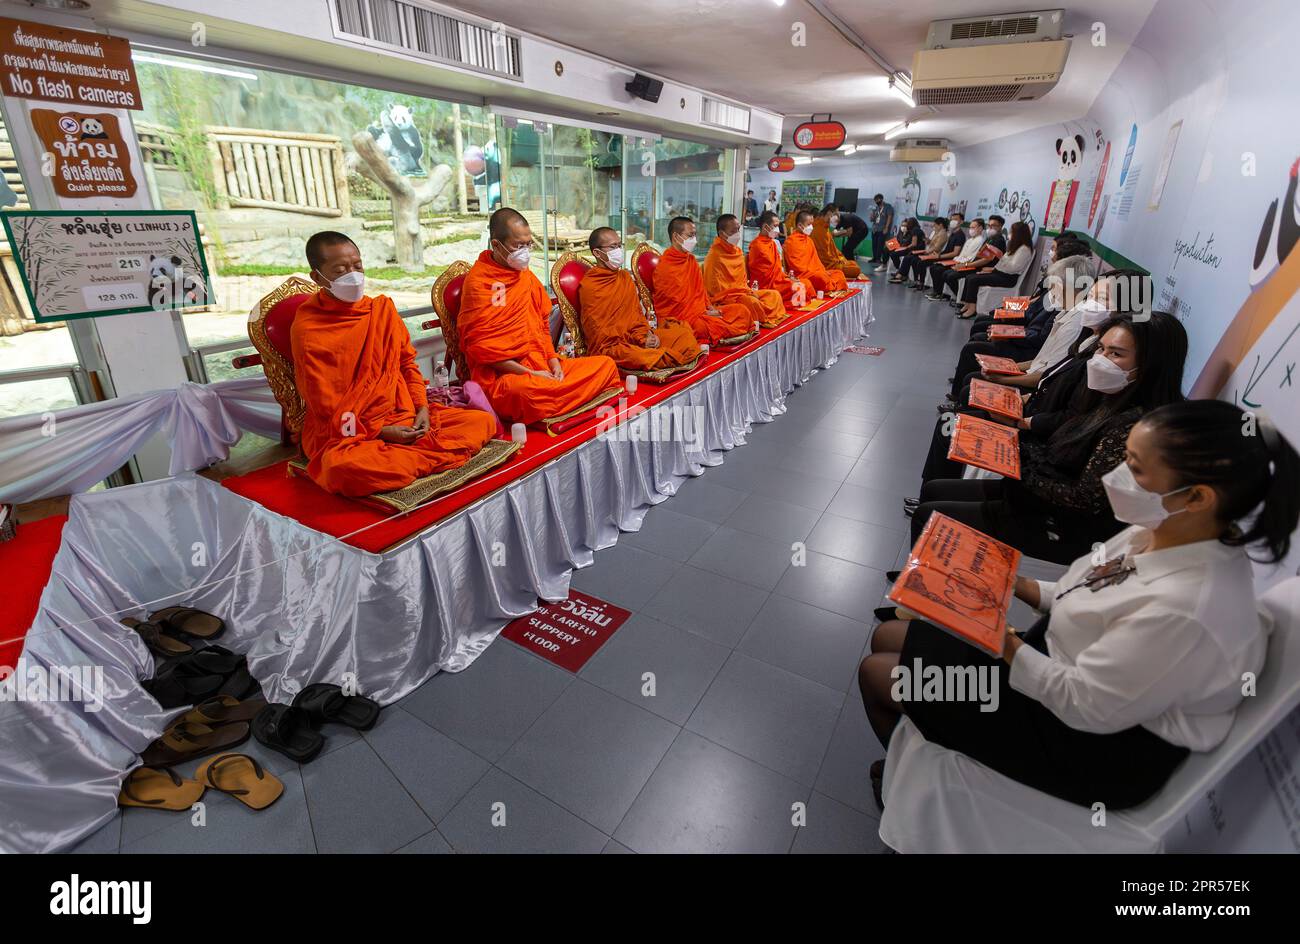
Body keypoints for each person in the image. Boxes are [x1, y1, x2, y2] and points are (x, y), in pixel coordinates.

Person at [862, 399, 1299, 811]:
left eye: (1136, 468)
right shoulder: (1162, 529)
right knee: (890, 636)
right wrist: (1018, 587)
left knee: (878, 673)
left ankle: (912, 788)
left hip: (1082, 742)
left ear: (1197, 497)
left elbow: (1081, 702)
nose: (1117, 476)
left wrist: (998, 636)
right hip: (1058, 665)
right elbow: (1092, 590)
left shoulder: (1188, 609)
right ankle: (916, 757)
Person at [912, 312, 1188, 565]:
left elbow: (1083, 498)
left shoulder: (1136, 425)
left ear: (1151, 364)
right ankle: (919, 582)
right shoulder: (1107, 394)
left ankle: (919, 602)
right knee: (935, 489)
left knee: (930, 512)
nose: (1101, 359)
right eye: (1101, 349)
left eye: (1115, 354)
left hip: (1063, 523)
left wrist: (1017, 457)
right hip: (1038, 490)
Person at [289, 231, 497, 497]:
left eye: (357, 266)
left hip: (403, 414)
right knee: (341, 469)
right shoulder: (309, 330)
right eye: (340, 270)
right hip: (349, 431)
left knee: (481, 422)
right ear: (318, 277)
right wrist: (382, 432)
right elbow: (326, 408)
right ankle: (423, 458)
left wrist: (421, 409)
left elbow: (407, 364)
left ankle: (408, 461)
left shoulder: (380, 311)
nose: (353, 274)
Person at [458, 208, 622, 425]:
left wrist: (553, 364)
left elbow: (541, 328)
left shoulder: (525, 277)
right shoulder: (481, 283)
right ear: (496, 245)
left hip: (541, 365)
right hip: (505, 377)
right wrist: (531, 375)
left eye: (528, 244)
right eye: (518, 245)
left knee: (607, 365)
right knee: (526, 394)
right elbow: (482, 350)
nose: (525, 251)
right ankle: (559, 396)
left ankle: (557, 396)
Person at [578, 227, 701, 371]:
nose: (618, 250)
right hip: (613, 348)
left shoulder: (624, 277)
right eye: (613, 246)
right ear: (597, 253)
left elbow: (637, 316)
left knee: (684, 337)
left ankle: (664, 355)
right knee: (646, 357)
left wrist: (646, 336)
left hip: (637, 338)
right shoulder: (590, 286)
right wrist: (638, 341)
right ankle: (666, 357)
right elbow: (600, 336)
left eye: (619, 245)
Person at [653, 216, 755, 344]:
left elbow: (701, 291)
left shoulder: (691, 261)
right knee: (699, 327)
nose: (694, 240)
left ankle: (726, 331)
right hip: (684, 319)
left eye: (695, 235)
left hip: (702, 312)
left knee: (742, 311)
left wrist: (710, 308)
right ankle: (727, 332)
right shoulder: (665, 266)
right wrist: (701, 313)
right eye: (690, 235)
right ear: (675, 237)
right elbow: (673, 305)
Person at [704, 214, 787, 328]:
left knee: (774, 295)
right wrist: (744, 293)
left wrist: (749, 291)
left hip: (744, 292)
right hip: (727, 298)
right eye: (734, 230)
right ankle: (759, 319)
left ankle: (760, 316)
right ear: (722, 234)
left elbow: (742, 281)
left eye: (738, 229)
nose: (738, 233)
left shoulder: (737, 251)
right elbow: (716, 291)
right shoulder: (715, 255)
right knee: (751, 302)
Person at [955, 220, 1034, 317]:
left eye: (1012, 232)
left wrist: (1001, 260)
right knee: (970, 277)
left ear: (1019, 234)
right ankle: (967, 304)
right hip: (1000, 274)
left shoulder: (1024, 250)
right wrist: (992, 269)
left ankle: (972, 308)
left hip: (1008, 278)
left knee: (974, 280)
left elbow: (1013, 268)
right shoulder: (1015, 247)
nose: (1009, 234)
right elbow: (1001, 264)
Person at [784, 209, 848, 293]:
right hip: (802, 275)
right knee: (821, 277)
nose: (811, 227)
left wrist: (823, 271)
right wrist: (817, 273)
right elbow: (798, 267)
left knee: (838, 273)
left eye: (812, 224)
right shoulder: (791, 241)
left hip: (815, 272)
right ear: (800, 225)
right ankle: (830, 285)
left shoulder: (809, 240)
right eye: (809, 224)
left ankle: (829, 285)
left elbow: (816, 261)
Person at [925, 218, 987, 302]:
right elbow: (961, 255)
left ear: (980, 228)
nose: (970, 230)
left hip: (967, 265)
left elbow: (970, 258)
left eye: (973, 227)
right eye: (970, 227)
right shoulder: (969, 240)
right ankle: (938, 292)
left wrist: (958, 264)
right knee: (934, 267)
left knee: (947, 274)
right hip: (958, 261)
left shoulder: (980, 241)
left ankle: (960, 297)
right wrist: (955, 261)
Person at [748, 211, 801, 304]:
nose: (778, 230)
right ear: (765, 227)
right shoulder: (757, 246)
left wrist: (786, 277)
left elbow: (777, 268)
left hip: (777, 280)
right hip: (766, 285)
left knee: (803, 284)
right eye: (775, 226)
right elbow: (763, 273)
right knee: (799, 288)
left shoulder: (772, 243)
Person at [909, 213, 967, 291]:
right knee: (916, 259)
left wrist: (939, 256)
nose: (953, 221)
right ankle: (925, 285)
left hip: (950, 258)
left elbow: (955, 253)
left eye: (956, 219)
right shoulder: (952, 234)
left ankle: (934, 289)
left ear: (961, 222)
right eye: (952, 219)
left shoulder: (960, 235)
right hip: (942, 255)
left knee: (929, 266)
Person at [892, 217, 948, 286]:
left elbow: (937, 247)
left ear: (940, 225)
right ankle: (911, 278)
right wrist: (928, 241)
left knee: (915, 260)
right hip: (927, 251)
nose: (933, 226)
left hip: (933, 254)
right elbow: (932, 243)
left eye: (935, 225)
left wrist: (926, 252)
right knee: (910, 258)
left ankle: (919, 281)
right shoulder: (937, 233)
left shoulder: (943, 234)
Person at [811, 204, 862, 280]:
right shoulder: (819, 229)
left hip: (833, 261)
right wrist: (838, 262)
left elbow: (833, 249)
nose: (837, 217)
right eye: (836, 214)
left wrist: (841, 260)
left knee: (853, 264)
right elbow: (823, 256)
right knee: (856, 270)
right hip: (827, 265)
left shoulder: (825, 227)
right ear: (829, 213)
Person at [868, 193, 895, 271]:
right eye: (875, 200)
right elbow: (872, 219)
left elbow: (889, 217)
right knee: (874, 244)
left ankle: (879, 259)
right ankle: (874, 257)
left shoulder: (888, 207)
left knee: (880, 244)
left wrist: (886, 227)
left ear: (881, 199)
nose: (876, 201)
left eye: (877, 200)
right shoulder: (876, 208)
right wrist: (871, 214)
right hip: (875, 228)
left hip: (882, 228)